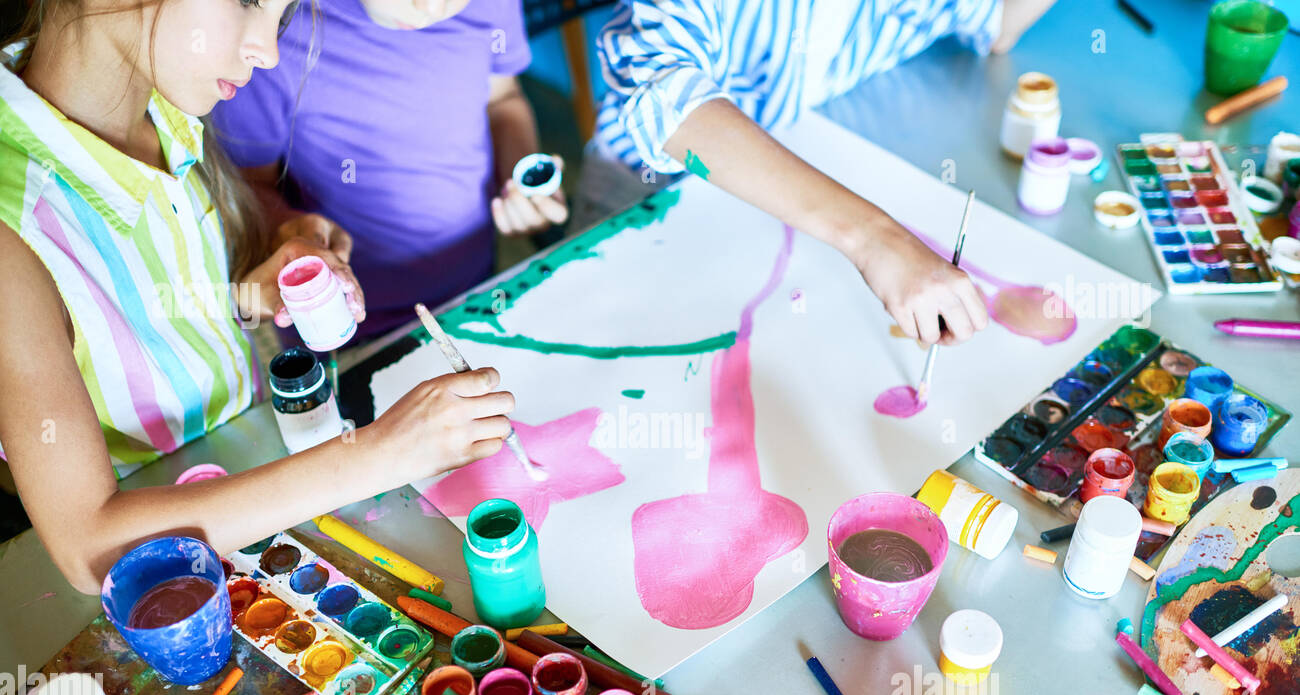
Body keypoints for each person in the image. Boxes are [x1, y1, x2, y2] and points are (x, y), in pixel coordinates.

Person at [0, 0, 514, 594]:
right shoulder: (16, 228)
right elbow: (90, 549)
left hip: (256, 487)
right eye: (248, 2)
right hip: (166, 592)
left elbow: (147, 317)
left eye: (282, 16)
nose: (267, 53)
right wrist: (381, 453)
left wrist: (259, 284)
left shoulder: (162, 105)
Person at [587, 0, 1059, 345]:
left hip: (797, 201)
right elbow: (667, 106)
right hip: (646, 199)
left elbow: (997, 22)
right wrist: (877, 240)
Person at [213, 0, 569, 344]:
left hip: (476, 282)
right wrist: (287, 227)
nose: (432, 8)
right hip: (349, 323)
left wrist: (523, 187)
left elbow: (502, 99)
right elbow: (248, 184)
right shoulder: (276, 35)